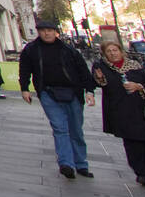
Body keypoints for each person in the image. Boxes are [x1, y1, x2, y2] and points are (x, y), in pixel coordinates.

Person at [18, 18, 97, 179]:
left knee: (76, 129)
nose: (46, 33)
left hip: (73, 92)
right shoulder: (31, 49)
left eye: (50, 30)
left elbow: (83, 70)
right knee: (60, 128)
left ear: (56, 32)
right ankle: (66, 163)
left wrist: (89, 90)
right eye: (43, 30)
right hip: (48, 92)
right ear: (39, 32)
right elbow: (24, 69)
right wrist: (25, 88)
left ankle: (81, 163)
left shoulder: (69, 50)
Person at [91, 41, 145, 186]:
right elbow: (101, 84)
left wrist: (139, 86)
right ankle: (140, 172)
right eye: (108, 51)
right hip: (120, 109)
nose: (112, 53)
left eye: (115, 50)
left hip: (142, 108)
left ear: (121, 51)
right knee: (131, 142)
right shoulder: (101, 67)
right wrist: (100, 79)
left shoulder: (135, 66)